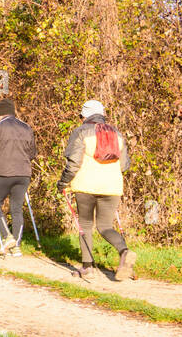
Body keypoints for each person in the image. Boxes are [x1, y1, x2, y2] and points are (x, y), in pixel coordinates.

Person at [57, 99, 135, 281]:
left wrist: (62, 182)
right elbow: (124, 165)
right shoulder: (117, 134)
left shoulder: (81, 132)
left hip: (86, 185)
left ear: (84, 115)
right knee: (105, 226)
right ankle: (124, 252)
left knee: (85, 225)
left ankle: (87, 268)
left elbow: (74, 163)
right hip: (112, 186)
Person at [0, 98, 37, 255]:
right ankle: (16, 246)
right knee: (16, 208)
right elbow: (32, 153)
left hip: (4, 172)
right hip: (24, 173)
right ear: (13, 112)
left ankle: (7, 236)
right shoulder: (26, 127)